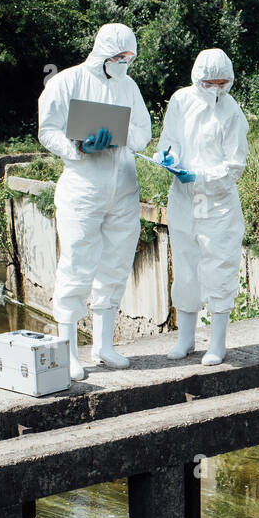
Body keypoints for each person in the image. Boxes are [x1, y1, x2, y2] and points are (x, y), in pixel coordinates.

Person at [38, 23, 152, 381]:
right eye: (118, 57)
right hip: (83, 188)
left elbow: (143, 132)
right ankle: (67, 350)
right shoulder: (65, 82)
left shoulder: (129, 86)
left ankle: (103, 346)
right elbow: (47, 130)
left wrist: (120, 138)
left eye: (129, 57)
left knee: (116, 265)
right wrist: (79, 147)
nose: (123, 63)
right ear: (102, 52)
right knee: (77, 264)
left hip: (123, 187)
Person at [157, 48, 249, 366]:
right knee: (185, 266)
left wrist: (201, 176)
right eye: (209, 83)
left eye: (222, 83)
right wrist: (168, 158)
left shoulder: (232, 113)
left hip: (218, 203)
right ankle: (185, 339)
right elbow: (169, 139)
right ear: (197, 79)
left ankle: (218, 343)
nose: (215, 89)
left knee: (219, 267)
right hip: (183, 198)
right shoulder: (181, 101)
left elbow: (234, 166)